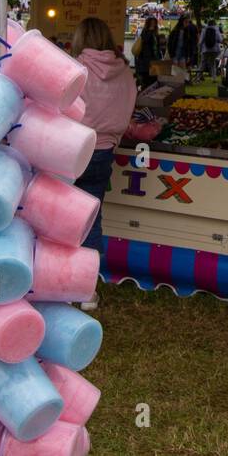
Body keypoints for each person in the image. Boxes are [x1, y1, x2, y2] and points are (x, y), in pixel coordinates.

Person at [70, 17, 138, 306]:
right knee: (90, 220)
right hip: (104, 150)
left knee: (57, 219)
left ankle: (55, 280)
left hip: (70, 149)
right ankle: (87, 290)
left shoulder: (74, 68)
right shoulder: (125, 71)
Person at [132, 16, 160, 86]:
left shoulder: (155, 33)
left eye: (154, 23)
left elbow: (157, 46)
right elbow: (145, 41)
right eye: (151, 23)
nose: (153, 25)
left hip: (154, 59)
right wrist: (150, 31)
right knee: (146, 80)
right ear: (148, 24)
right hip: (145, 60)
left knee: (154, 80)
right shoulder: (145, 32)